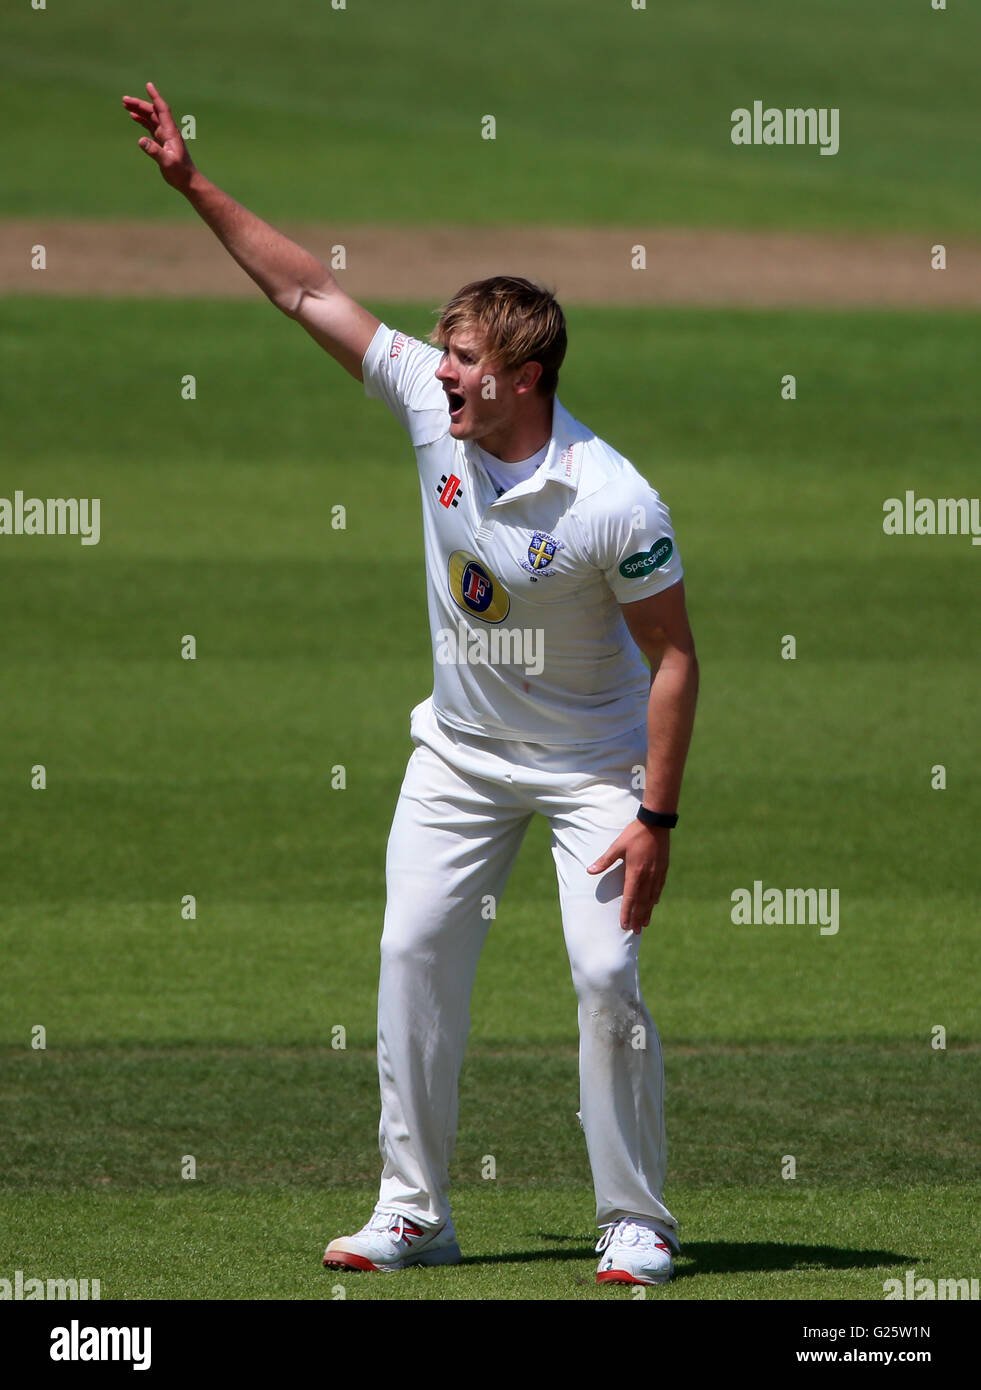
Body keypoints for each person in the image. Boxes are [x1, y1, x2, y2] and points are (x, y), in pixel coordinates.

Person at [123, 81, 699, 1286]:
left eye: (466, 360)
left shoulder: (614, 499)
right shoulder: (435, 415)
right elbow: (304, 288)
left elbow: (678, 657)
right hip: (458, 753)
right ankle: (415, 1211)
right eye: (442, 352)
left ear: (525, 377)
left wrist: (655, 816)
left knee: (604, 973)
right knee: (412, 957)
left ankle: (636, 1220)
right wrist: (190, 183)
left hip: (593, 764)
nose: (440, 373)